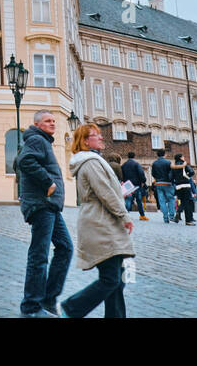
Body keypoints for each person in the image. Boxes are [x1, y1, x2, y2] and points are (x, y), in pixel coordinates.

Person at [61, 124, 136, 318]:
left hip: (103, 222)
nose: (102, 138)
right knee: (111, 279)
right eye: (96, 135)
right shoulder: (91, 162)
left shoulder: (92, 161)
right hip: (101, 224)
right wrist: (124, 215)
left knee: (117, 280)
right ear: (85, 141)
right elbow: (105, 193)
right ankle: (72, 307)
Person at [17, 110, 73, 317]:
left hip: (49, 205)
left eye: (54, 121)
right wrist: (47, 182)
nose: (53, 124)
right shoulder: (37, 140)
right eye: (48, 121)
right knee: (39, 255)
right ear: (37, 124)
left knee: (65, 248)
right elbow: (25, 161)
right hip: (42, 204)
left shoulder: (43, 141)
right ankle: (31, 306)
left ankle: (48, 300)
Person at [121, 152, 150, 221]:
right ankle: (142, 215)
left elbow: (122, 175)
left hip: (127, 184)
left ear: (128, 156)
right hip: (136, 184)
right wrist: (143, 181)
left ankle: (126, 214)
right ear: (134, 156)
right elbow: (141, 173)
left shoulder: (124, 165)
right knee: (139, 200)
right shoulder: (136, 164)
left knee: (128, 199)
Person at [151, 150, 176, 223]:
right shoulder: (168, 162)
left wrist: (157, 179)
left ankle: (165, 218)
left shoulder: (154, 163)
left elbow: (153, 174)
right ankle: (171, 215)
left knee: (161, 201)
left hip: (159, 183)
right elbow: (172, 173)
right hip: (167, 183)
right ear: (165, 154)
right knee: (171, 199)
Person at [173, 155, 195, 225]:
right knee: (187, 202)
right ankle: (188, 220)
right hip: (186, 185)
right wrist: (187, 176)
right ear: (180, 158)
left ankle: (178, 212)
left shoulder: (174, 166)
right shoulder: (184, 164)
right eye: (183, 157)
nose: (184, 158)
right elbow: (192, 172)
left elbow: (171, 176)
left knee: (182, 201)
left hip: (178, 186)